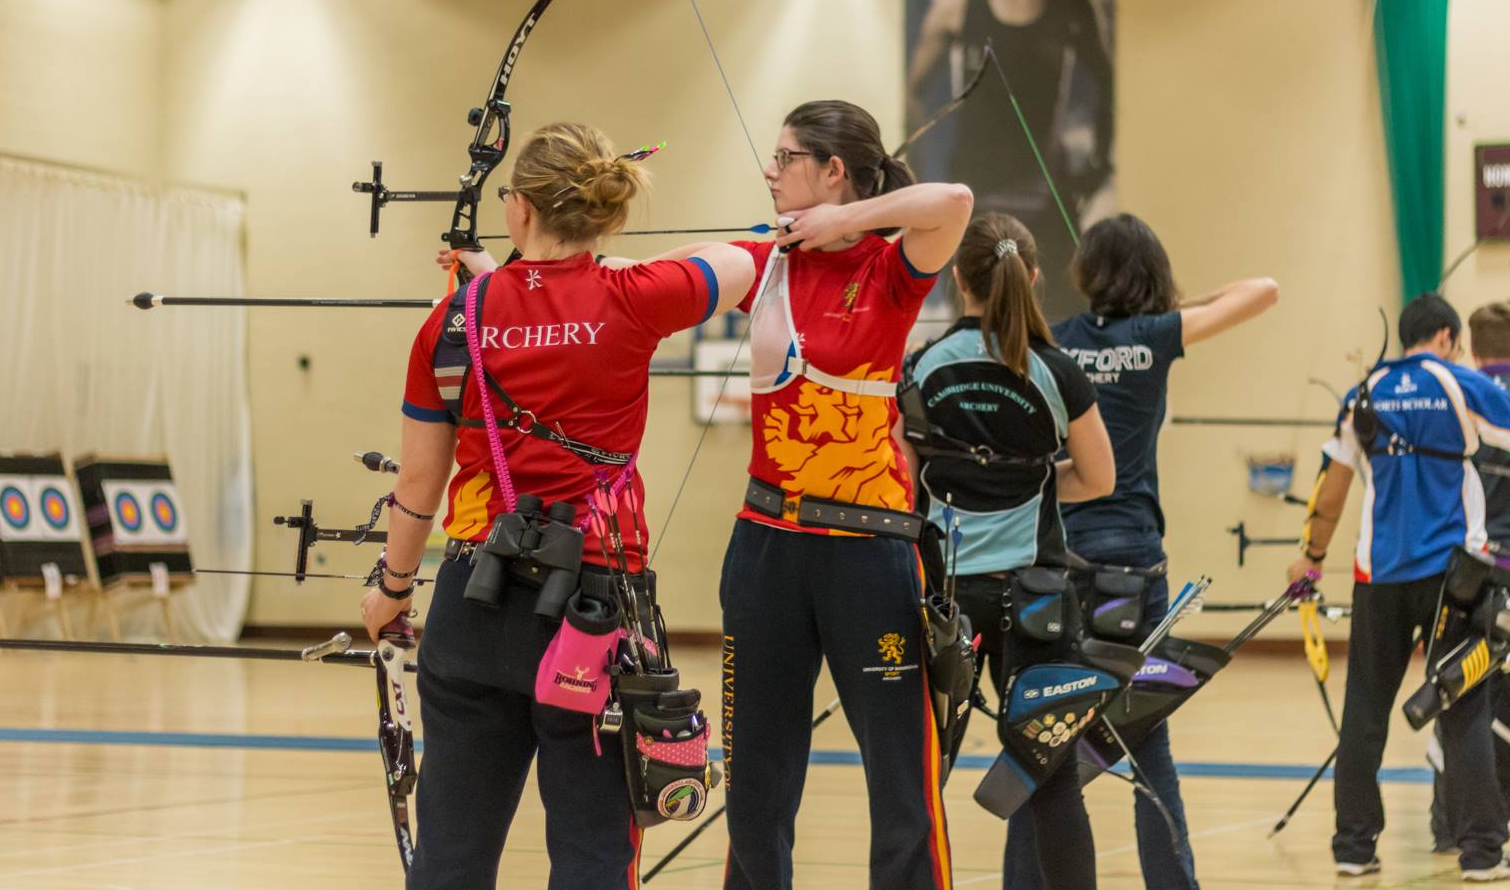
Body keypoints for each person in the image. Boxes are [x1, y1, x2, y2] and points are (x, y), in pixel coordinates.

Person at [358, 121, 754, 890]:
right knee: (590, 855)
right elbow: (742, 261)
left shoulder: (455, 321)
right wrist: (609, 264)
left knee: (451, 856)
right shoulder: (635, 294)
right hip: (592, 616)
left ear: (521, 211)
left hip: (475, 603)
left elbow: (418, 486)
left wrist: (392, 589)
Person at [719, 99, 972, 890]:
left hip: (868, 551)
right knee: (755, 777)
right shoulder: (766, 260)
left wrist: (844, 221)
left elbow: (953, 202)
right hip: (766, 545)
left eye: (787, 156)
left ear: (833, 170)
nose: (769, 169)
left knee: (901, 780)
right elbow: (647, 276)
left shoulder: (889, 268)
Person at [1003, 213, 1277, 890]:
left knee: (1041, 742)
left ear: (1088, 274)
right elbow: (1264, 288)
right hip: (1134, 559)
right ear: (1151, 273)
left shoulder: (1059, 340)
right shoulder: (1156, 335)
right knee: (1148, 742)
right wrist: (1171, 310)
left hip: (1063, 554)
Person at [900, 213, 1115, 889]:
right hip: (1037, 599)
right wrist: (1037, 484)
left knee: (921, 778)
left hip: (945, 604)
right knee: (1051, 781)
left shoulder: (923, 367)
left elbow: (903, 486)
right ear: (1034, 278)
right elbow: (1100, 477)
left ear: (957, 275)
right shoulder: (1056, 369)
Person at [1286, 293, 1510, 881]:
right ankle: (1482, 853)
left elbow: (1331, 493)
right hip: (1452, 580)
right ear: (1443, 335)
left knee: (1364, 709)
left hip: (1378, 577)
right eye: (1456, 342)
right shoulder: (1458, 382)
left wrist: (1309, 559)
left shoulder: (1363, 394)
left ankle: (1353, 849)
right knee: (1462, 707)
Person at [907, 0, 1113, 289]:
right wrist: (920, 172)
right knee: (970, 325)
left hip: (1045, 199)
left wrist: (1097, 163)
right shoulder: (957, 4)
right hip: (975, 196)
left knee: (1058, 318)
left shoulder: (1073, 4)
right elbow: (913, 92)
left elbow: (1107, 88)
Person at [1425, 301, 1510, 855]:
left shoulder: (1453, 398)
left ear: (1472, 348)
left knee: (1458, 692)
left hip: (1463, 573)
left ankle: (1450, 824)